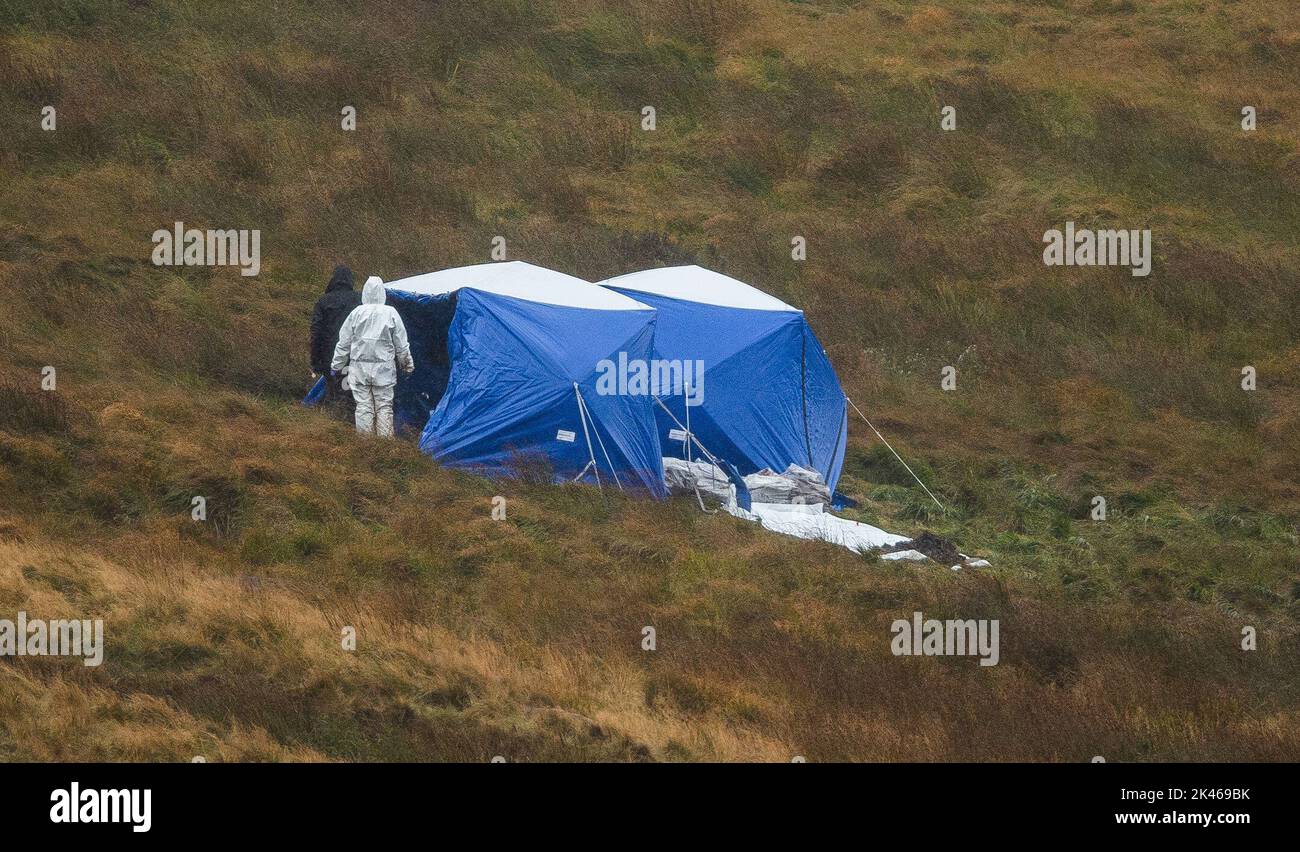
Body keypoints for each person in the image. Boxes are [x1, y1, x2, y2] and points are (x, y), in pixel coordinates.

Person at [331, 276, 414, 437]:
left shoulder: (356, 313)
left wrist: (336, 366)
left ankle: (365, 444)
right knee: (384, 406)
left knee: (363, 406)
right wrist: (407, 366)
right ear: (382, 293)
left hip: (359, 369)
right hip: (384, 369)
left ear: (365, 292)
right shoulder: (391, 313)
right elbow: (402, 345)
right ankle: (384, 445)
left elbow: (343, 343)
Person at [309, 265, 362, 415]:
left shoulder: (324, 301)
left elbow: (316, 332)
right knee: (352, 393)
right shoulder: (359, 299)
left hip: (329, 357)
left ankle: (335, 424)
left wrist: (315, 360)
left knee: (334, 391)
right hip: (355, 355)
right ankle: (351, 423)